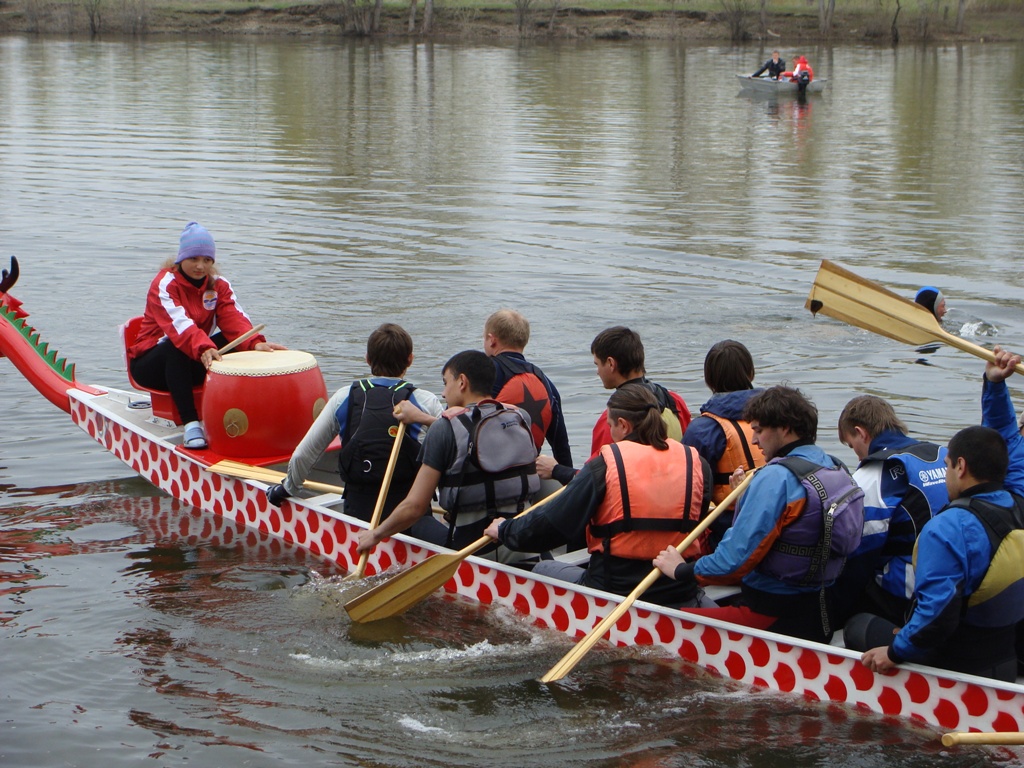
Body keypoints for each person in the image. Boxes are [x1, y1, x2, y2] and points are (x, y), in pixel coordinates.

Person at [853, 347, 1024, 683]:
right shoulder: (1017, 502)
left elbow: (938, 618)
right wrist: (994, 385)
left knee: (859, 624)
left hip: (958, 669)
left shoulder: (947, 528)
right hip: (1003, 656)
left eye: (947, 465)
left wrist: (895, 651)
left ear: (960, 466)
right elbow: (1003, 438)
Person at [652, 386, 864, 644]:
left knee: (664, 622)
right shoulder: (835, 465)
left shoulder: (776, 477)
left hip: (772, 613)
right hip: (820, 608)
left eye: (759, 430)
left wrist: (681, 569)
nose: (754, 440)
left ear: (785, 429)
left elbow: (734, 560)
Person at [484, 384, 715, 608]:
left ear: (623, 425)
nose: (611, 432)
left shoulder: (604, 465)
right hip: (677, 588)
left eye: (611, 425)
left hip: (614, 590)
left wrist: (505, 530)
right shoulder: (697, 464)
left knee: (541, 570)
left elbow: (552, 526)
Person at [355, 350, 540, 564]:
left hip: (474, 551)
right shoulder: (519, 417)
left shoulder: (443, 429)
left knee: (421, 520)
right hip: (523, 543)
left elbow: (414, 507)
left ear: (462, 382)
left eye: (445, 383)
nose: (443, 393)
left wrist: (375, 534)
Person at [127, 222, 286, 450]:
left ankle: (244, 415)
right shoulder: (164, 284)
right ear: (181, 259)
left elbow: (233, 317)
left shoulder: (219, 286)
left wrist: (254, 344)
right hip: (150, 365)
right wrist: (203, 348)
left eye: (207, 260)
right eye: (194, 259)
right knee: (176, 347)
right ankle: (191, 424)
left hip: (194, 356)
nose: (201, 266)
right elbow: (180, 326)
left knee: (239, 342)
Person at [263, 323, 444, 523]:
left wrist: (289, 488)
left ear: (367, 359)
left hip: (358, 512)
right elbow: (454, 444)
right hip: (411, 513)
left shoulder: (344, 397)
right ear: (410, 360)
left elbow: (302, 456)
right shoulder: (426, 401)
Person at [829, 396, 948, 626]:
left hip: (907, 595)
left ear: (861, 432)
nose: (857, 457)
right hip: (952, 581)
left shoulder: (874, 474)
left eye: (853, 447)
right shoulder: (942, 454)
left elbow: (859, 554)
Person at [539, 326, 691, 487]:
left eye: (597, 364)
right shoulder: (675, 401)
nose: (597, 372)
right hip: (677, 493)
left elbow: (594, 479)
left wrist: (556, 470)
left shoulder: (613, 420)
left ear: (611, 364)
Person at [682, 340, 766, 550]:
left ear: (709, 380)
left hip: (726, 534)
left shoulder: (703, 430)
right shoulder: (781, 417)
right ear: (751, 373)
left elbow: (687, 492)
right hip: (777, 522)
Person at [483, 309, 573, 469]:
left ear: (491, 340)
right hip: (528, 474)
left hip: (487, 472)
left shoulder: (482, 372)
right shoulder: (545, 381)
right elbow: (561, 445)